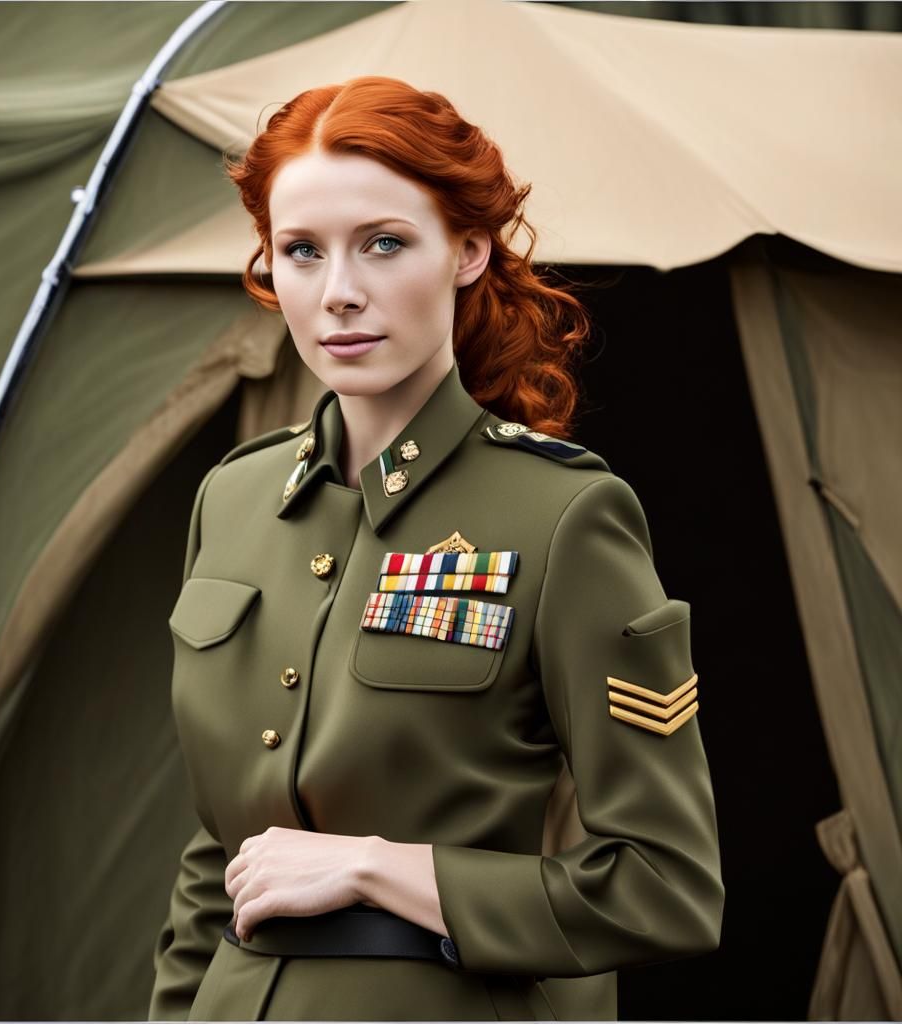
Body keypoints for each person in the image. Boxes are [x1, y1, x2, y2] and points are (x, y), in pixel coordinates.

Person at [147, 75, 723, 1022]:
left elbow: (665, 886)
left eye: (383, 243)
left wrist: (378, 869)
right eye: (301, 250)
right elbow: (219, 862)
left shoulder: (564, 516)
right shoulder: (234, 499)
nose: (339, 293)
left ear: (467, 250)